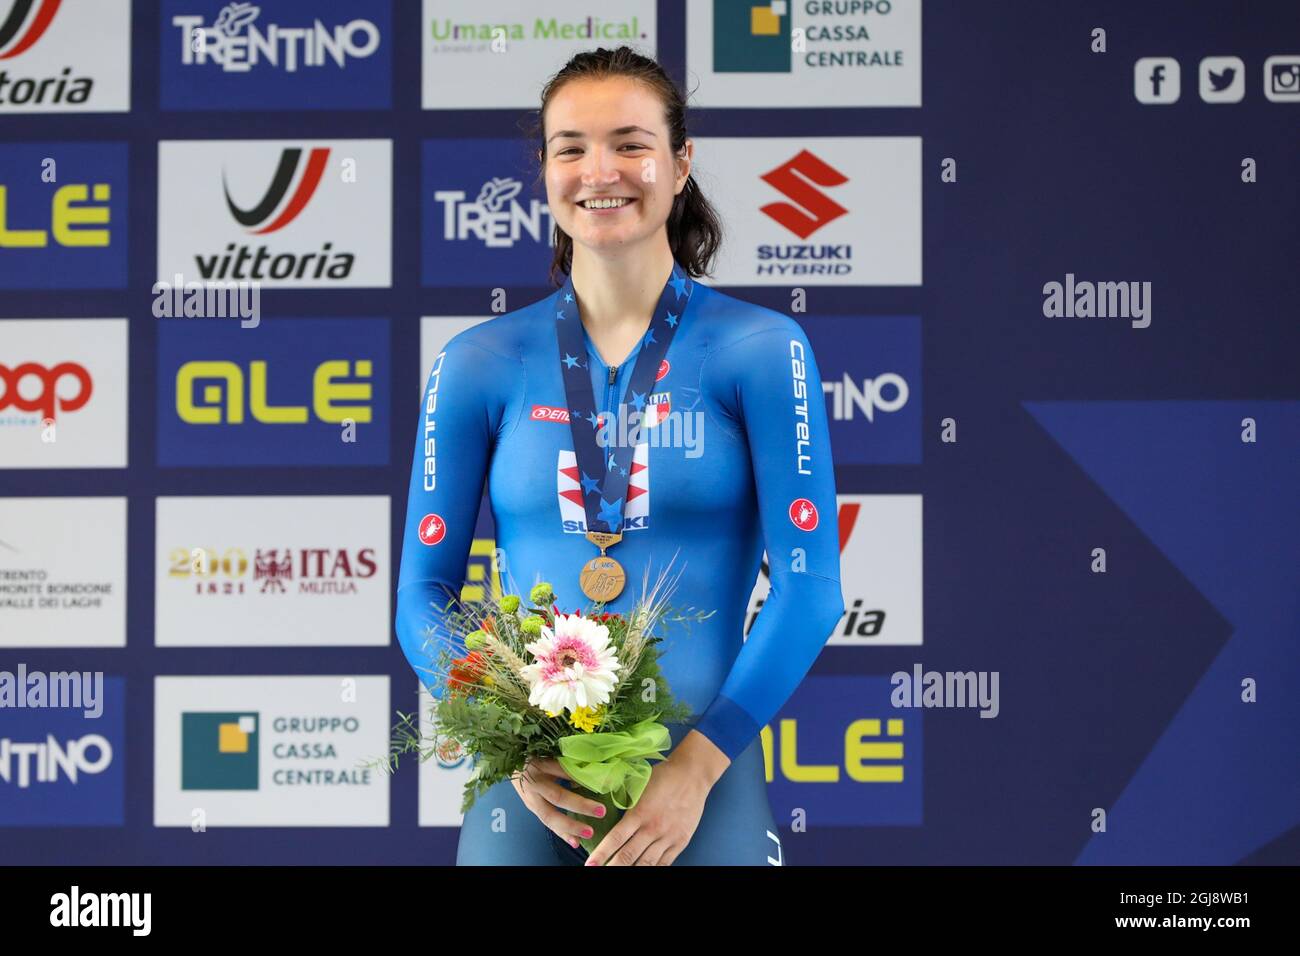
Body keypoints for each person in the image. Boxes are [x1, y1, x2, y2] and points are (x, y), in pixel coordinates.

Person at [395, 46, 845, 866]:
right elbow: (421, 597)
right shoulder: (478, 361)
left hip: (700, 785)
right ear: (545, 170)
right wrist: (510, 743)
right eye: (571, 147)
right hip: (529, 792)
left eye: (631, 143)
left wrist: (696, 768)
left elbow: (810, 589)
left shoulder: (759, 350)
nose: (600, 170)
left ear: (680, 164)